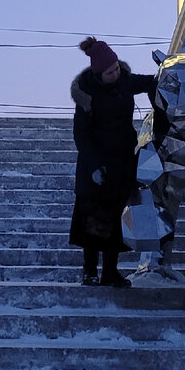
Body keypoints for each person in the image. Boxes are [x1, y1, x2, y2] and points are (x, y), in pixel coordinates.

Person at [69, 36, 156, 288]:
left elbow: (152, 82)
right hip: (95, 167)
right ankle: (89, 271)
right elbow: (81, 135)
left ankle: (110, 272)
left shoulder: (125, 80)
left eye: (117, 68)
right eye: (110, 72)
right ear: (98, 73)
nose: (115, 74)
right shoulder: (86, 95)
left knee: (117, 219)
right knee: (94, 222)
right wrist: (94, 167)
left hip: (121, 163)